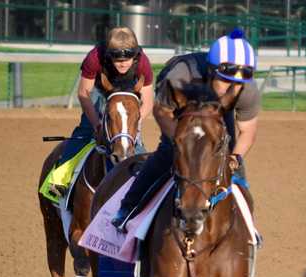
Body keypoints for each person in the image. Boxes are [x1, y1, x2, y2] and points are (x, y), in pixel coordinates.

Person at [111, 29, 260, 231]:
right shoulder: (181, 76)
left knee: (238, 175)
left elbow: (248, 131)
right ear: (211, 70)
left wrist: (235, 157)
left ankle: (249, 229)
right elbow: (162, 111)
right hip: (179, 115)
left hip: (218, 115)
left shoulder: (243, 89)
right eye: (225, 80)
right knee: (164, 156)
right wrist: (182, 143)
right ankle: (127, 208)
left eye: (238, 83)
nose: (231, 88)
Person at [52, 27, 154, 196]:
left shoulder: (143, 62)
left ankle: (146, 186)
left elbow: (148, 101)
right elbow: (84, 93)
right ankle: (60, 179)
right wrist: (96, 124)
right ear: (108, 55)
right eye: (117, 59)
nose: (122, 63)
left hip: (129, 93)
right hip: (100, 90)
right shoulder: (94, 58)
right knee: (85, 131)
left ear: (135, 56)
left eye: (128, 59)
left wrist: (132, 124)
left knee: (134, 140)